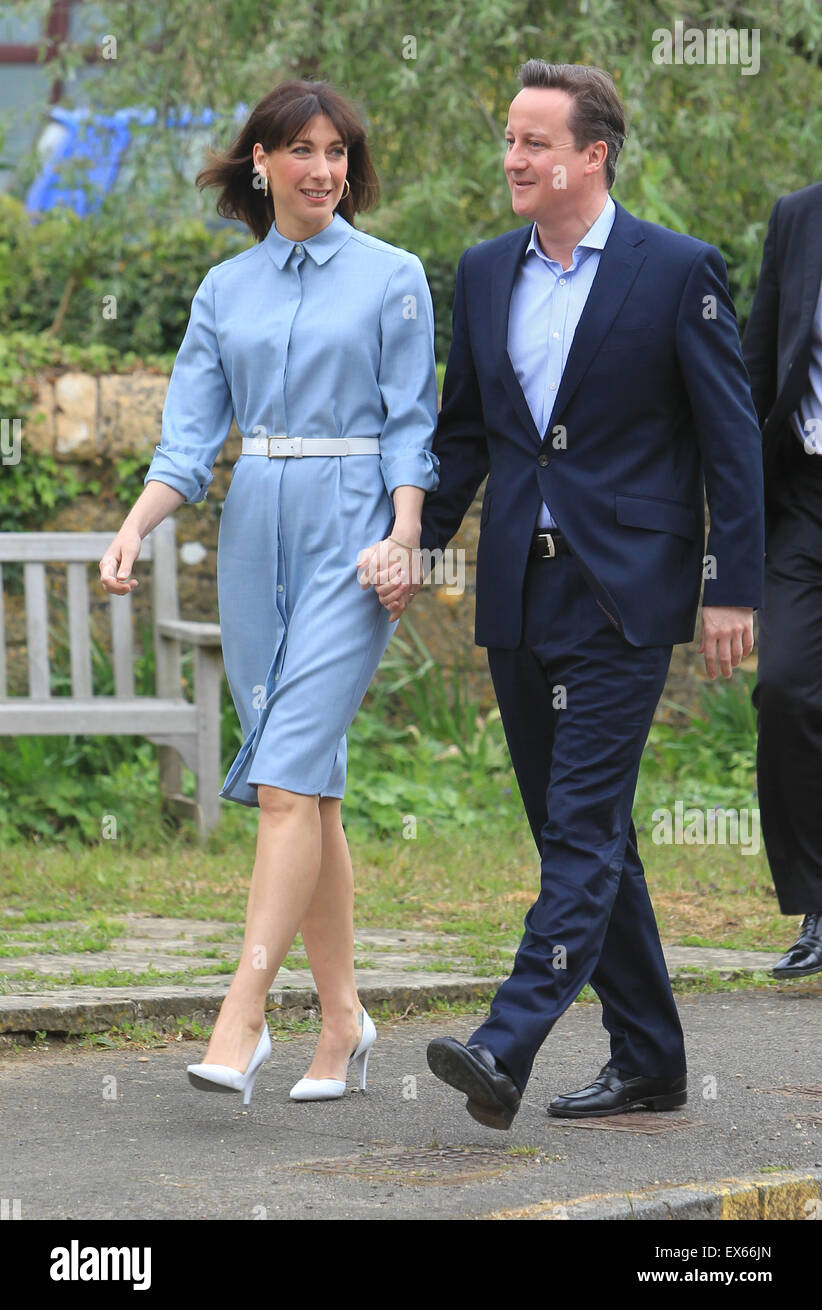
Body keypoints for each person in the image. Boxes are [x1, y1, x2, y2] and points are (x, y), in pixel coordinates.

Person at [363, 60, 764, 1128]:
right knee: (581, 835)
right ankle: (652, 1059)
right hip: (518, 596)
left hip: (626, 594)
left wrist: (735, 587)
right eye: (509, 137)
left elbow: (734, 448)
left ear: (593, 154)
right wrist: (412, 544)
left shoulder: (678, 270)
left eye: (535, 141)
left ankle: (507, 1038)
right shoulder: (486, 271)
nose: (512, 157)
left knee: (582, 828)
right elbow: (462, 440)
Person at [99, 79, 439, 1109]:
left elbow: (411, 423)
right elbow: (191, 445)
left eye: (338, 151)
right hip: (255, 528)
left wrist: (406, 534)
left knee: (285, 782)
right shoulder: (223, 291)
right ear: (262, 162)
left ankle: (242, 1014)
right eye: (302, 149)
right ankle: (342, 1020)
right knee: (311, 788)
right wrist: (134, 523)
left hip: (354, 539)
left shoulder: (394, 276)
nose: (323, 169)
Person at [743, 180, 822, 979]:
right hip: (802, 493)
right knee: (789, 689)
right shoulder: (799, 215)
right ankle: (816, 900)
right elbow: (760, 358)